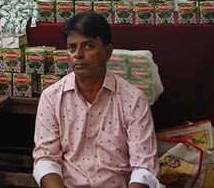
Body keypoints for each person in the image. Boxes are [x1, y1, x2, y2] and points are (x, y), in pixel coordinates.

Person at [33, 12, 160, 188]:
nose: (78, 54)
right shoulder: (52, 98)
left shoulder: (133, 100)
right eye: (71, 47)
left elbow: (144, 168)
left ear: (107, 52)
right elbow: (46, 160)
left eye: (89, 46)